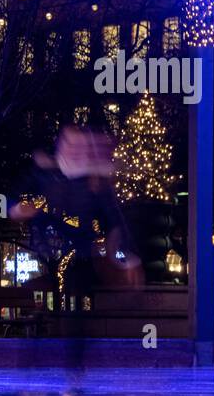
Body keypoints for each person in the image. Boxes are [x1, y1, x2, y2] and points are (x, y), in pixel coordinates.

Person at [10, 126, 141, 368]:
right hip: (42, 252)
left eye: (79, 147)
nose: (73, 151)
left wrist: (127, 257)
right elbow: (14, 196)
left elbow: (114, 218)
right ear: (60, 146)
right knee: (43, 304)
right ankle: (34, 362)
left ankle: (74, 366)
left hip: (78, 255)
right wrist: (18, 209)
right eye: (69, 145)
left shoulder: (95, 182)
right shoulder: (42, 175)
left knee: (76, 308)